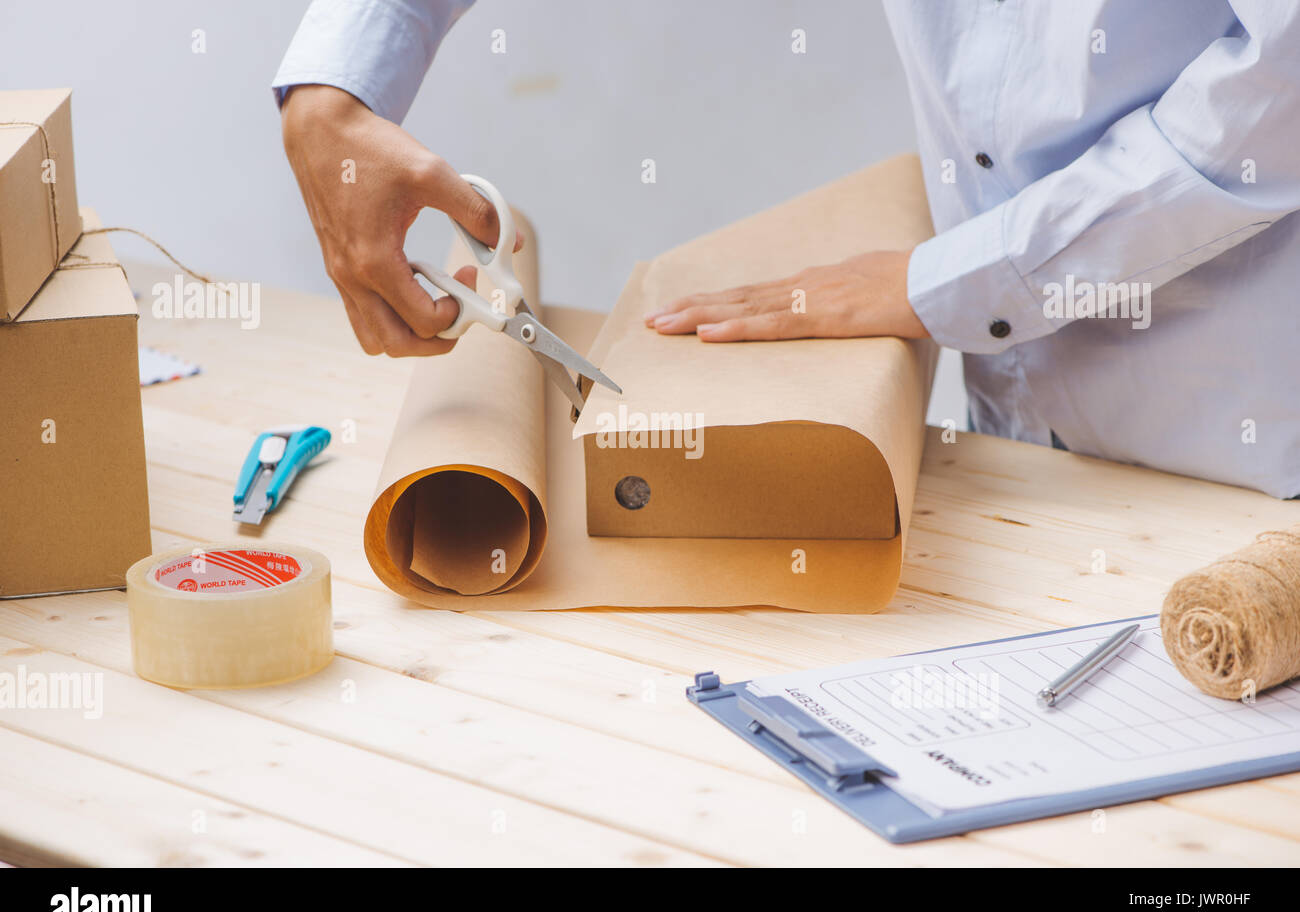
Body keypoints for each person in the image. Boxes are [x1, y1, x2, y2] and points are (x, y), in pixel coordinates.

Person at [275, 1, 1300, 497]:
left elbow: (1272, 94)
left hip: (1243, 456)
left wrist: (959, 279)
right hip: (1015, 461)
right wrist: (344, 72)